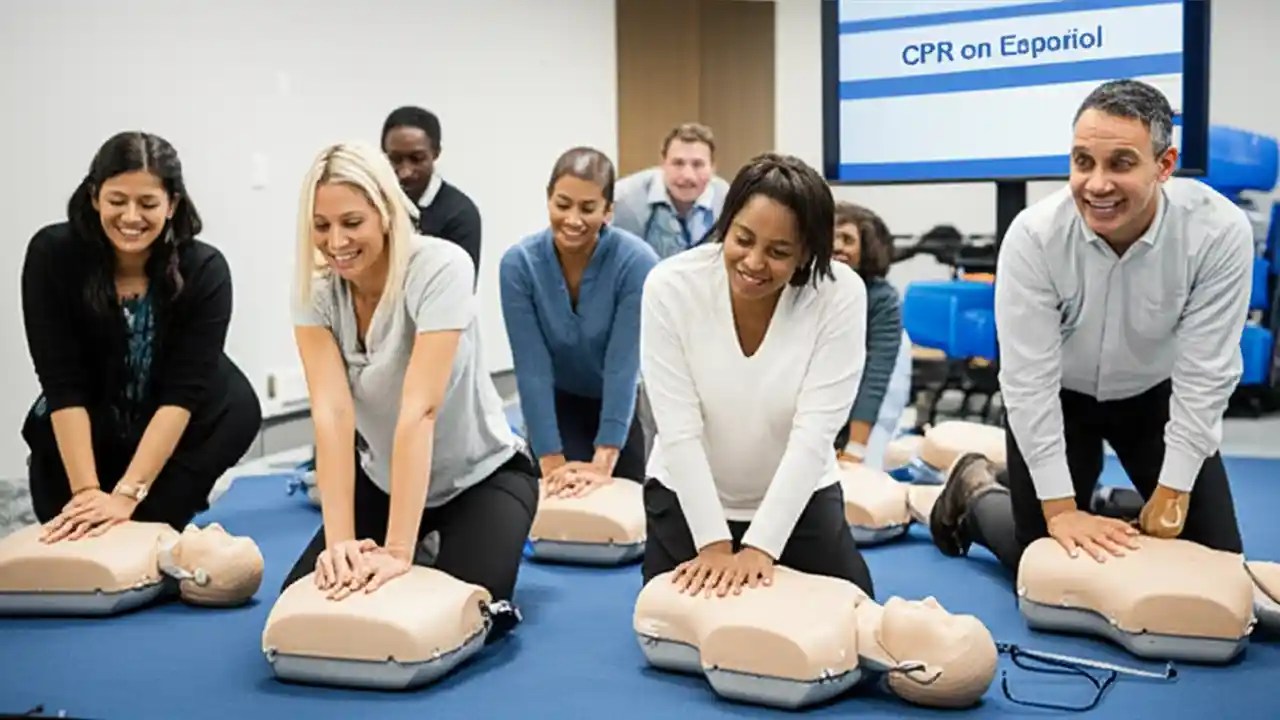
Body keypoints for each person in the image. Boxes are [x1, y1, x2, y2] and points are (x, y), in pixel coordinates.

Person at [927, 79, 1250, 575]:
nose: (1096, 184)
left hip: (1151, 398)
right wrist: (1060, 513)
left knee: (1217, 563)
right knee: (1046, 564)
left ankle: (1110, 506)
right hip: (1059, 397)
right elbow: (1028, 383)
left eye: (1120, 163)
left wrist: (1173, 490)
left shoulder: (1218, 233)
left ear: (1164, 165)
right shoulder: (1035, 237)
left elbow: (1207, 372)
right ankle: (973, 491)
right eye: (1083, 162)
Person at [285, 140, 537, 641]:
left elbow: (418, 411)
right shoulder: (315, 293)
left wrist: (398, 549)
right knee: (311, 600)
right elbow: (332, 415)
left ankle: (422, 547)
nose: (336, 242)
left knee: (459, 614)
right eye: (321, 226)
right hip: (381, 481)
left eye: (352, 223)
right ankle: (416, 545)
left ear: (385, 211)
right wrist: (341, 543)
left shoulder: (441, 268)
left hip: (481, 478)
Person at [640, 152, 874, 599]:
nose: (753, 262)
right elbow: (678, 428)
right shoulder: (670, 286)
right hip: (688, 497)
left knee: (850, 626)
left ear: (807, 253)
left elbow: (815, 433)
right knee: (678, 631)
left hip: (798, 499)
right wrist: (712, 544)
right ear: (725, 225)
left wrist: (761, 547)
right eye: (742, 239)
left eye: (779, 252)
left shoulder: (840, 295)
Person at [21, 131, 262, 543]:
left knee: (147, 532)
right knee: (75, 530)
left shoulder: (205, 270)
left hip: (186, 430)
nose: (131, 217)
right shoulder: (52, 255)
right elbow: (62, 385)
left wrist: (128, 494)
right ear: (95, 197)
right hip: (89, 423)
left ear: (172, 206)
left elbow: (181, 396)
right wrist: (87, 495)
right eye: (117, 201)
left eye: (148, 203)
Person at [499, 148, 659, 494]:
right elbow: (532, 368)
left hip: (618, 401)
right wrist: (550, 460)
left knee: (626, 511)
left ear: (609, 211)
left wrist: (605, 459)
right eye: (563, 204)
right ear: (548, 199)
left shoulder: (637, 263)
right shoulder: (518, 265)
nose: (573, 219)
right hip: (558, 402)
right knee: (559, 508)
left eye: (588, 208)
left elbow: (623, 365)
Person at [830, 202, 906, 470]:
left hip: (866, 412)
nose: (837, 246)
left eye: (847, 239)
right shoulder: (808, 290)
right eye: (830, 237)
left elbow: (875, 378)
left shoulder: (882, 300)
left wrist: (855, 449)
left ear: (868, 249)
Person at [381, 106, 483, 278]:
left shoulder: (459, 214)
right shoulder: (374, 204)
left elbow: (460, 288)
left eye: (417, 159)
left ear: (435, 153)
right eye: (395, 159)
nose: (405, 171)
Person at [612, 122, 730, 260]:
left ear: (713, 167)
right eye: (678, 163)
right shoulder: (626, 199)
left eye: (698, 164)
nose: (687, 176)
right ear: (663, 163)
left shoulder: (726, 198)